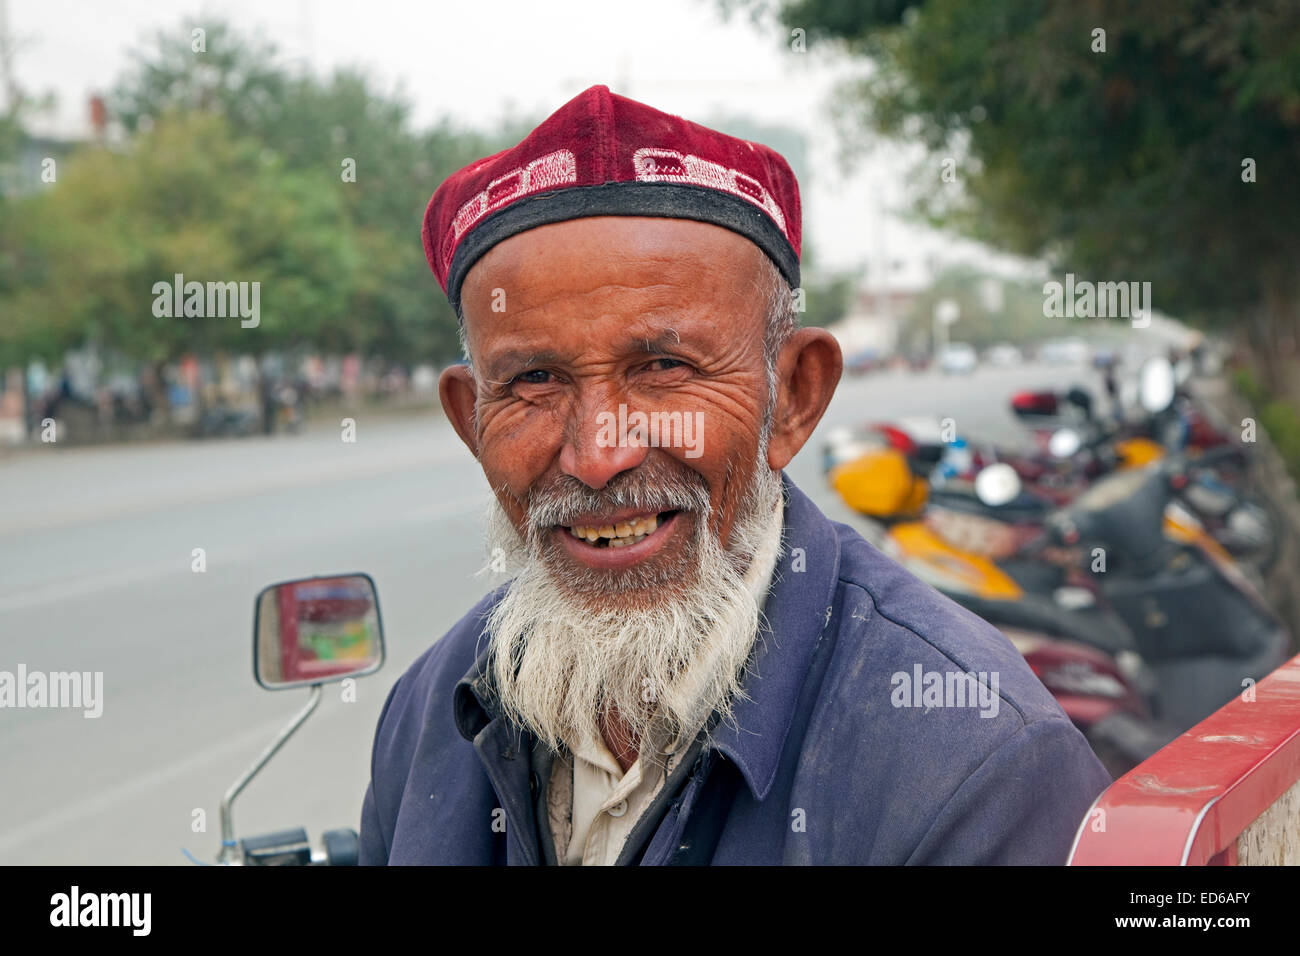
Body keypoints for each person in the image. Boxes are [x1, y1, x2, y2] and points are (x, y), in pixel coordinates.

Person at [359, 86, 1111, 865]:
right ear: (470, 420)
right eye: (535, 381)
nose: (595, 456)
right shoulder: (430, 713)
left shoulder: (974, 760)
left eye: (662, 367)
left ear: (793, 396)